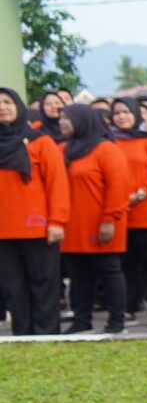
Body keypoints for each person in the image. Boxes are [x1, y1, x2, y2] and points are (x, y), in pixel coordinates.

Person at [56, 104, 134, 334]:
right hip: (73, 226)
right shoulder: (63, 149)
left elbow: (118, 187)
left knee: (109, 271)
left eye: (66, 118)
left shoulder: (106, 150)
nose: (62, 123)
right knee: (79, 274)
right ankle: (81, 320)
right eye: (61, 118)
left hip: (102, 223)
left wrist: (109, 219)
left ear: (81, 120)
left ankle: (116, 320)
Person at [0, 88, 69, 336]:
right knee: (13, 287)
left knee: (44, 285)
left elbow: (57, 183)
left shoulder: (41, 141)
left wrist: (57, 221)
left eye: (7, 102)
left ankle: (46, 334)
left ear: (18, 106)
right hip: (4, 231)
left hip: (38, 227)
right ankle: (22, 335)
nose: (2, 107)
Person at [108, 98, 147, 322]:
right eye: (117, 113)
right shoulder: (110, 142)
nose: (122, 116)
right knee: (127, 263)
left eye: (126, 112)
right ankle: (130, 306)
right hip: (121, 211)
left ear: (136, 114)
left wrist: (141, 193)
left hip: (146, 210)